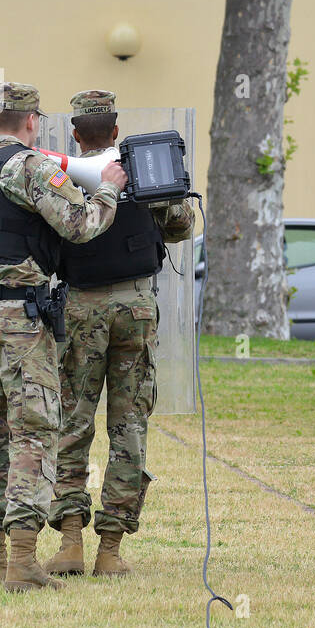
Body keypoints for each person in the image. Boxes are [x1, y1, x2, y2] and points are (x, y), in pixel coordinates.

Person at [0, 81, 127, 592]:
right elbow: (81, 224)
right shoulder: (25, 166)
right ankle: (22, 561)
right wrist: (108, 185)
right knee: (34, 433)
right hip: (18, 320)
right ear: (30, 121)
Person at [46, 91, 195, 577]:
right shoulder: (138, 170)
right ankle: (110, 550)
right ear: (115, 131)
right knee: (129, 425)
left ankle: (70, 542)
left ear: (74, 134)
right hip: (136, 306)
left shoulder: (59, 177)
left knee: (74, 420)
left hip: (81, 307)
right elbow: (179, 228)